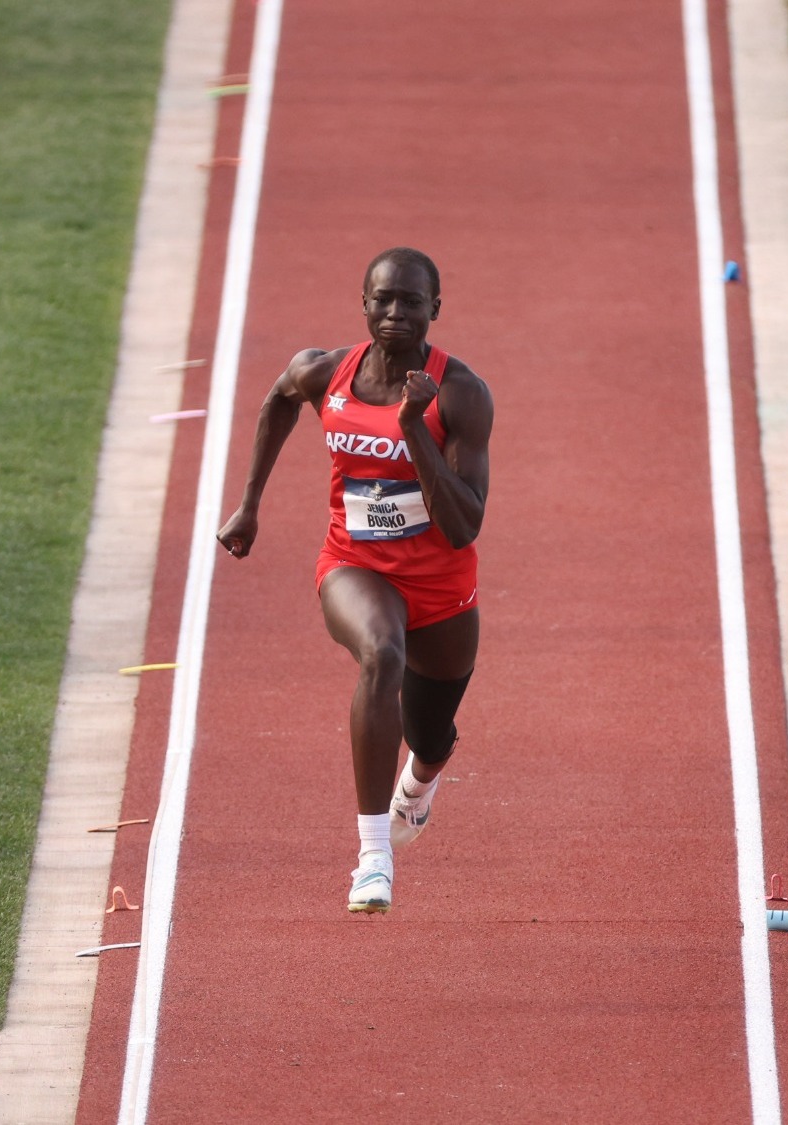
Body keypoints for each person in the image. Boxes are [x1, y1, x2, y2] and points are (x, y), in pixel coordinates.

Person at [218, 248, 494, 914]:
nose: (396, 312)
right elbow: (278, 401)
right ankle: (374, 858)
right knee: (382, 653)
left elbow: (464, 525)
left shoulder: (460, 393)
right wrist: (250, 504)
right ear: (364, 303)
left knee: (430, 734)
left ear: (435, 309)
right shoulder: (323, 371)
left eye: (411, 302)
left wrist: (413, 427)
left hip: (441, 582)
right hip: (354, 563)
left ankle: (418, 785)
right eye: (384, 299)